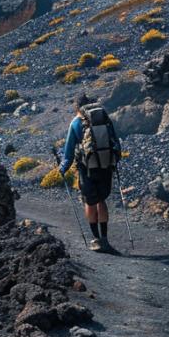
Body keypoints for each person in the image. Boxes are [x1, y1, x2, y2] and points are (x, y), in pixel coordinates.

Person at [58, 94, 121, 252]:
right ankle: (105, 239)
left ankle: (96, 239)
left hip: (87, 169)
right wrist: (114, 161)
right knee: (101, 200)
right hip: (106, 166)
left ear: (77, 107)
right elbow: (115, 142)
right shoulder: (104, 119)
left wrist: (63, 168)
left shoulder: (76, 123)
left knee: (90, 202)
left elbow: (69, 151)